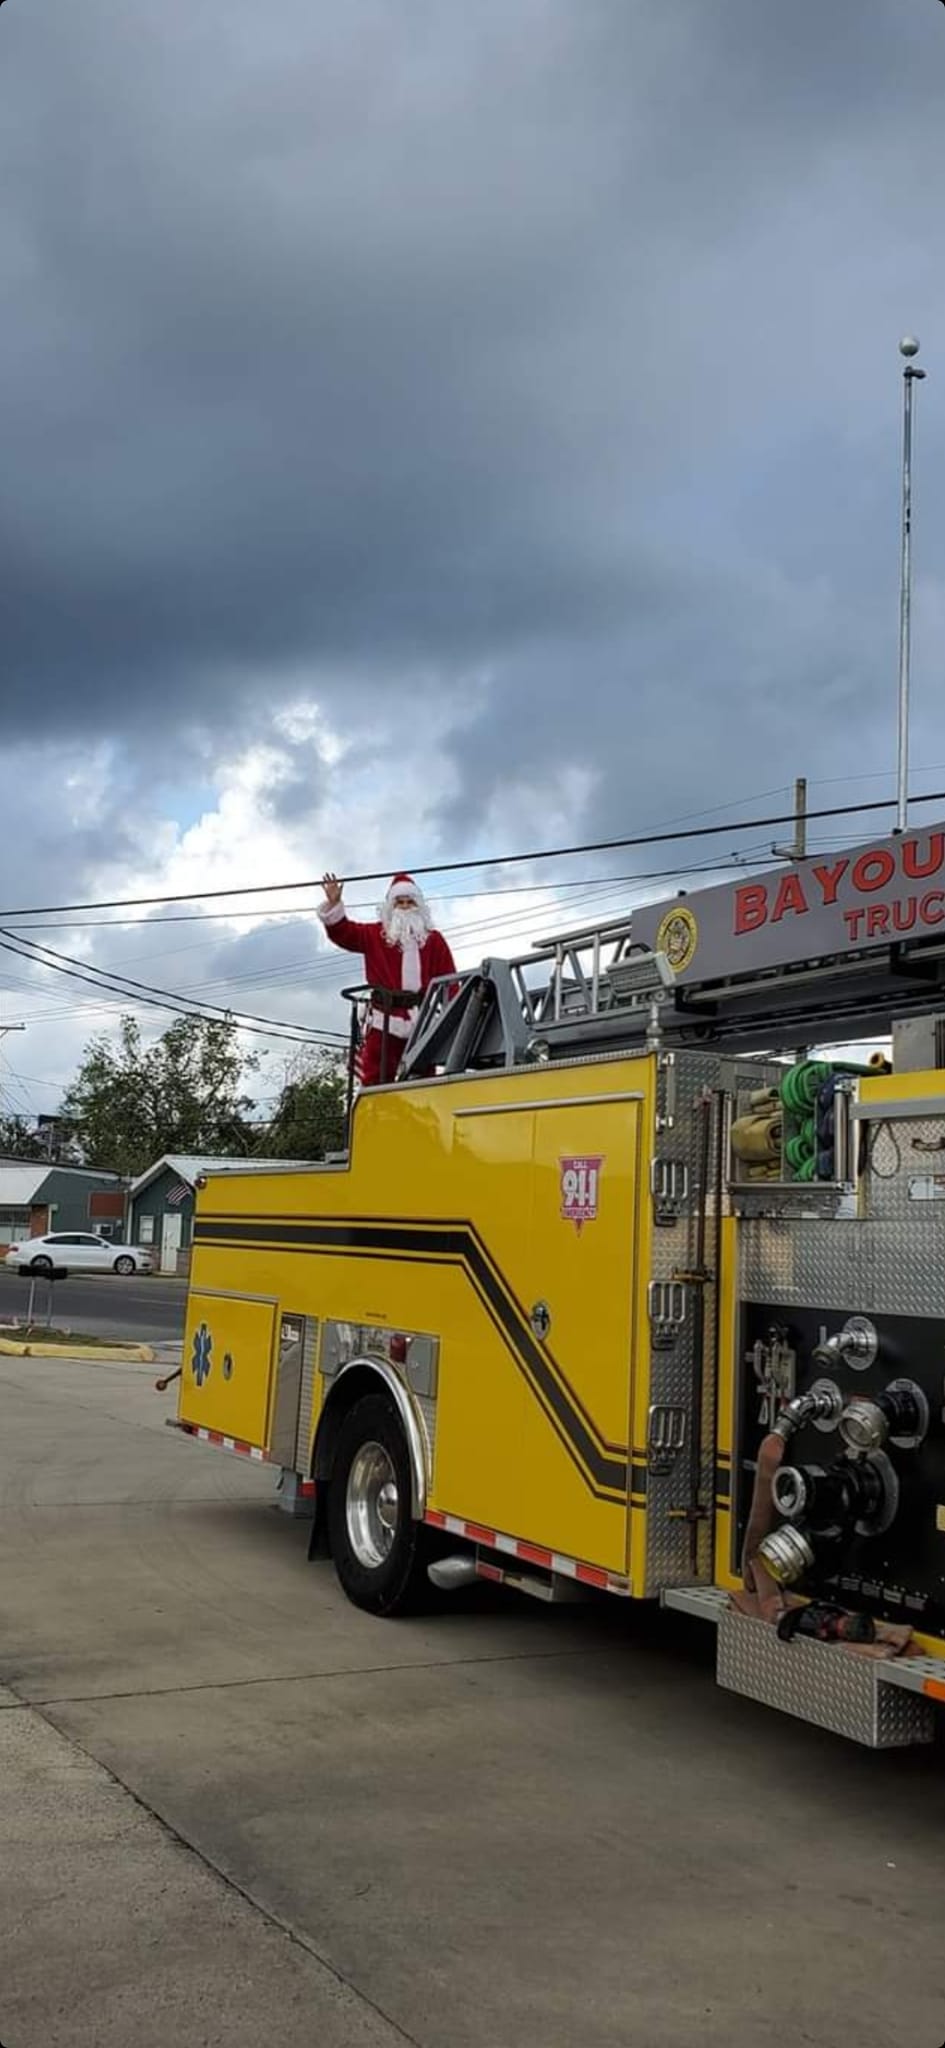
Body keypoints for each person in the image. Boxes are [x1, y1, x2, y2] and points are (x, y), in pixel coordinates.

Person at [318, 870, 456, 1085]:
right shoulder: (374, 934)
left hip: (421, 1018)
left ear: (418, 906)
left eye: (409, 901)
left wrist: (455, 1013)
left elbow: (450, 981)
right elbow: (343, 933)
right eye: (399, 902)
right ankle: (375, 1114)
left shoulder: (433, 940)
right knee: (376, 1076)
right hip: (385, 1016)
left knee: (424, 1076)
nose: (404, 906)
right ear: (390, 907)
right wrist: (334, 904)